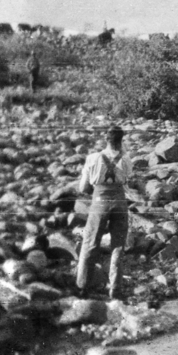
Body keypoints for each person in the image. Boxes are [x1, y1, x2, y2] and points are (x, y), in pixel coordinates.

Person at [77, 126, 133, 300]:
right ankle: (115, 290)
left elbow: (83, 188)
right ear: (121, 140)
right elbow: (127, 183)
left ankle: (83, 287)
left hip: (100, 200)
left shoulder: (93, 158)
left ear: (106, 139)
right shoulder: (126, 159)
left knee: (90, 242)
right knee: (118, 245)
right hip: (120, 201)